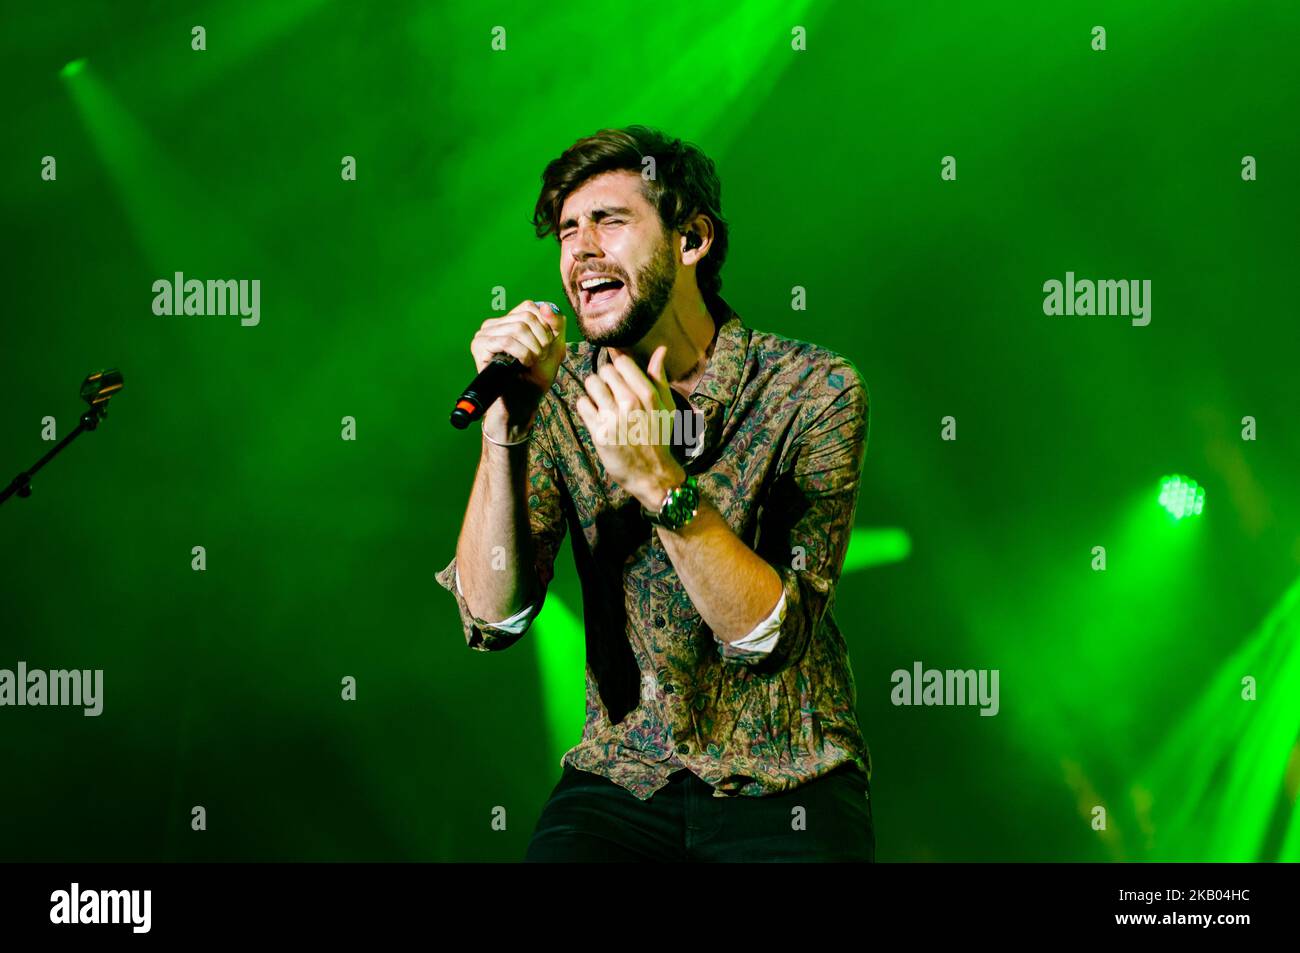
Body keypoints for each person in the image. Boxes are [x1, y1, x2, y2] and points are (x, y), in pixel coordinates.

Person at [436, 125, 874, 862]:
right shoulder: (558, 393)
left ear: (692, 239)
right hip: (620, 783)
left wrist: (658, 481)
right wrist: (505, 431)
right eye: (568, 230)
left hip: (789, 781)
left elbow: (768, 636)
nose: (580, 250)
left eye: (609, 220)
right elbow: (491, 616)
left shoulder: (813, 390)